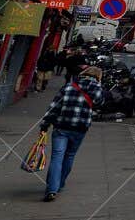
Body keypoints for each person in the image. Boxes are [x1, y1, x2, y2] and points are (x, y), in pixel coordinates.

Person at [38, 65, 103, 202]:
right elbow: (100, 102)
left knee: (57, 156)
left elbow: (54, 107)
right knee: (70, 155)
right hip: (80, 128)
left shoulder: (69, 86)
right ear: (98, 77)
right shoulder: (96, 88)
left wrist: (45, 124)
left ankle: (52, 189)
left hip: (61, 126)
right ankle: (59, 183)